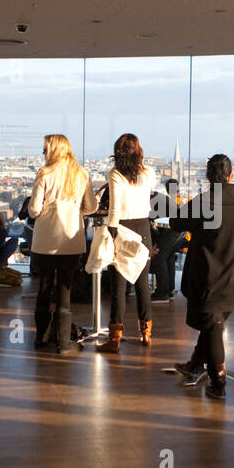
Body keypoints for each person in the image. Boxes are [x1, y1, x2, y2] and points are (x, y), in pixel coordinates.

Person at [170, 154, 234, 398]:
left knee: (214, 326)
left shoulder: (204, 201)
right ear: (231, 175)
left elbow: (176, 223)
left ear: (208, 177)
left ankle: (218, 384)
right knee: (213, 324)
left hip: (208, 275)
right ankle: (195, 366)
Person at [28, 134, 97, 354]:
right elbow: (91, 207)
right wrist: (75, 212)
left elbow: (34, 210)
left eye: (45, 149)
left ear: (53, 150)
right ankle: (63, 341)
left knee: (45, 286)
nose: (43, 153)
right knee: (65, 288)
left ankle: (41, 337)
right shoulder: (81, 174)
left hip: (45, 240)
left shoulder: (44, 174)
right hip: (71, 240)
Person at [95, 133, 157, 353]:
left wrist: (110, 233)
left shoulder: (115, 175)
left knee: (119, 287)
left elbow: (114, 210)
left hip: (122, 228)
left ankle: (115, 338)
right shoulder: (148, 173)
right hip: (144, 229)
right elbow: (152, 188)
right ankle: (146, 333)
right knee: (142, 285)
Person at [149, 178, 185, 301]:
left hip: (173, 230)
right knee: (168, 256)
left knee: (160, 256)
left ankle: (162, 293)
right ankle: (169, 290)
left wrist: (153, 244)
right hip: (181, 230)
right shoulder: (158, 198)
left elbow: (148, 224)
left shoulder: (147, 201)